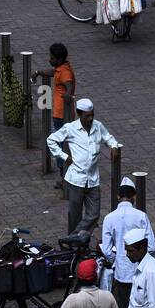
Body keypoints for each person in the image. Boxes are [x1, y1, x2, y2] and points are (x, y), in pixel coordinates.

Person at [47, 98, 120, 238]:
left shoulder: (98, 126)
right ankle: (75, 244)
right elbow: (51, 140)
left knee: (94, 214)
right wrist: (63, 156)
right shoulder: (70, 128)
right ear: (79, 114)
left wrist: (114, 146)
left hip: (93, 179)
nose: (91, 118)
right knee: (74, 215)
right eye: (87, 116)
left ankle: (71, 239)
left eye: (92, 115)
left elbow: (108, 138)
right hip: (76, 180)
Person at [99, 178, 155, 308]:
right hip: (140, 271)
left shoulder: (109, 218)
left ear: (118, 197)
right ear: (134, 197)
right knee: (142, 306)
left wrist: (116, 260)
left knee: (124, 307)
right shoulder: (141, 216)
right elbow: (152, 246)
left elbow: (106, 249)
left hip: (121, 273)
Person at [35, 42, 75, 131]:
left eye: (52, 58)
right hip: (62, 112)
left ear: (60, 60)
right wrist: (38, 72)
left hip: (61, 114)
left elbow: (68, 83)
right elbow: (53, 72)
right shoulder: (62, 68)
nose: (50, 60)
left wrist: (68, 94)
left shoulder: (64, 72)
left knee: (58, 139)